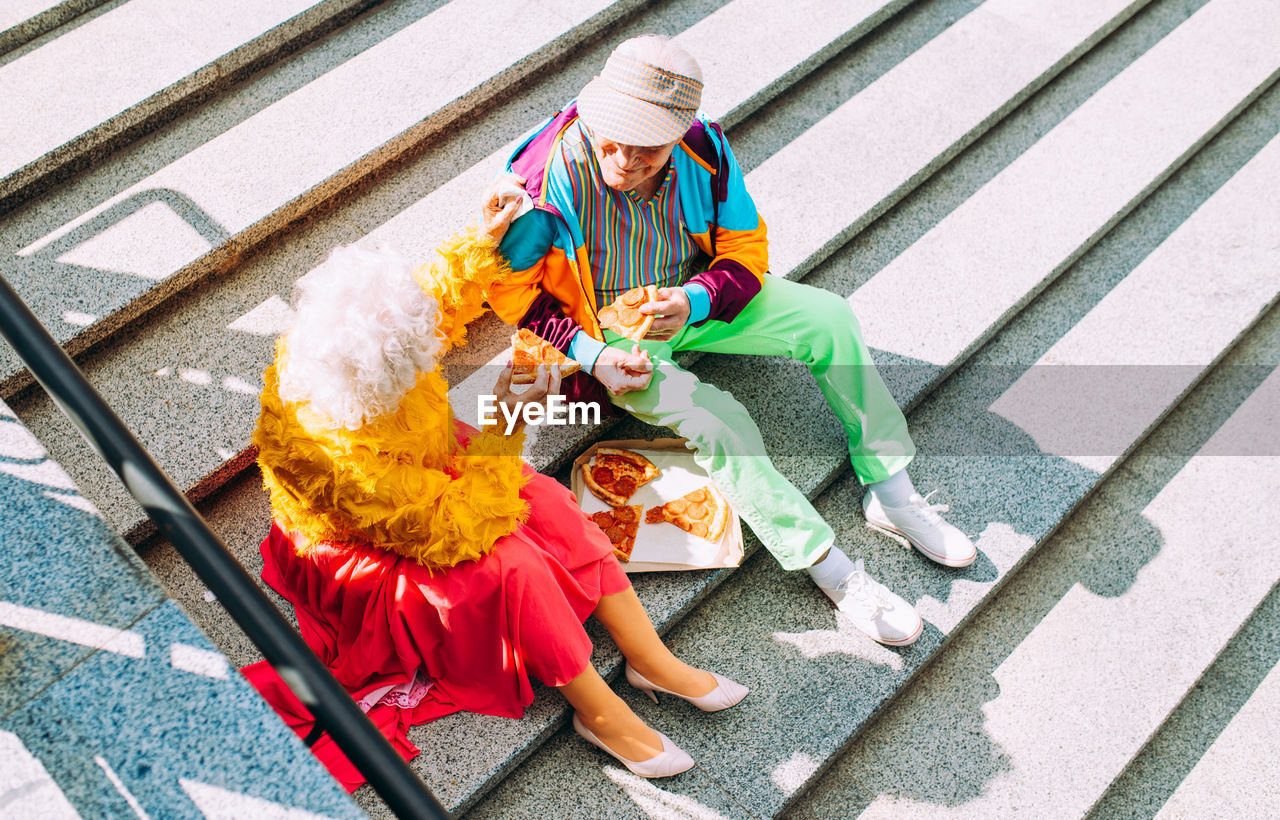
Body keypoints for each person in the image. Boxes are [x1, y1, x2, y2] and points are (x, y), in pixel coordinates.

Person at [242, 189, 746, 787]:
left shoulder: (350, 345)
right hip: (375, 540)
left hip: (426, 474)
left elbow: (435, 296)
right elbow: (458, 531)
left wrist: (484, 237)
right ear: (384, 378)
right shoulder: (333, 456)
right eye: (422, 358)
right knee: (512, 565)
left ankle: (651, 659)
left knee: (553, 502)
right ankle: (598, 712)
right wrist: (510, 422)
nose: (437, 350)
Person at [489, 35, 977, 647]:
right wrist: (596, 356)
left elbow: (746, 249)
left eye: (647, 147)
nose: (623, 159)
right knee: (721, 421)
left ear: (680, 131)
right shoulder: (539, 183)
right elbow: (511, 295)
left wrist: (692, 300)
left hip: (698, 294)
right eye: (611, 138)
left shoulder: (706, 147)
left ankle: (892, 490)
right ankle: (832, 568)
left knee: (830, 317)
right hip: (607, 332)